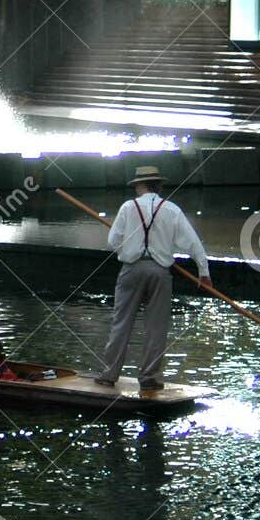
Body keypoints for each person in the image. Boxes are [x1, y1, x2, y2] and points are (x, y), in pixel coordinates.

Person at [96, 165, 212, 391]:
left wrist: (128, 246)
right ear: (158, 186)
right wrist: (204, 273)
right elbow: (193, 243)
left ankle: (109, 375)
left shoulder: (128, 208)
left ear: (140, 185)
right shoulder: (172, 210)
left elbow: (113, 241)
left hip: (131, 269)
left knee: (121, 323)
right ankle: (149, 377)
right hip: (160, 272)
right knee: (156, 326)